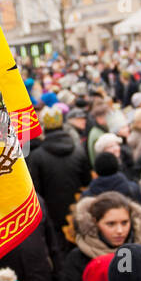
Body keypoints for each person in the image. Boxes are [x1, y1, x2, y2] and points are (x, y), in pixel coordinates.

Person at [26, 104, 91, 251]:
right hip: (75, 210)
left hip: (51, 214)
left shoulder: (37, 156)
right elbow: (87, 182)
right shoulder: (78, 151)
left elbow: (36, 190)